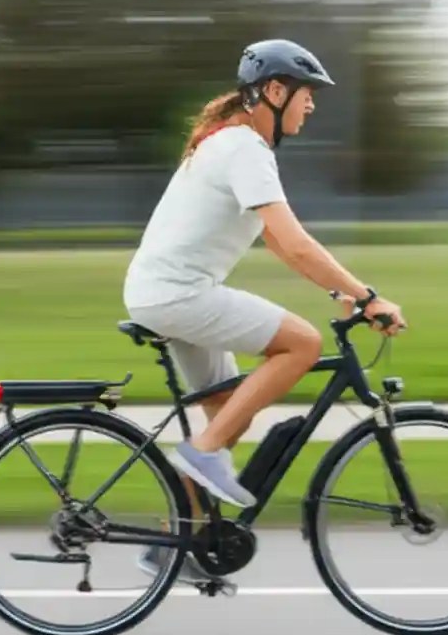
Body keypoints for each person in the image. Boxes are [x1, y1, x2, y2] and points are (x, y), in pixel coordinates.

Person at [123, 38, 406, 580]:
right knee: (301, 344)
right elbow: (295, 242)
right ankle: (202, 454)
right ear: (274, 91)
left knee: (232, 410)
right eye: (306, 93)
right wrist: (368, 296)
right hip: (179, 293)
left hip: (167, 291)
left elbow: (277, 243)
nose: (312, 104)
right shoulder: (244, 148)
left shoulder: (235, 144)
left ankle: (173, 546)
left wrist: (343, 294)